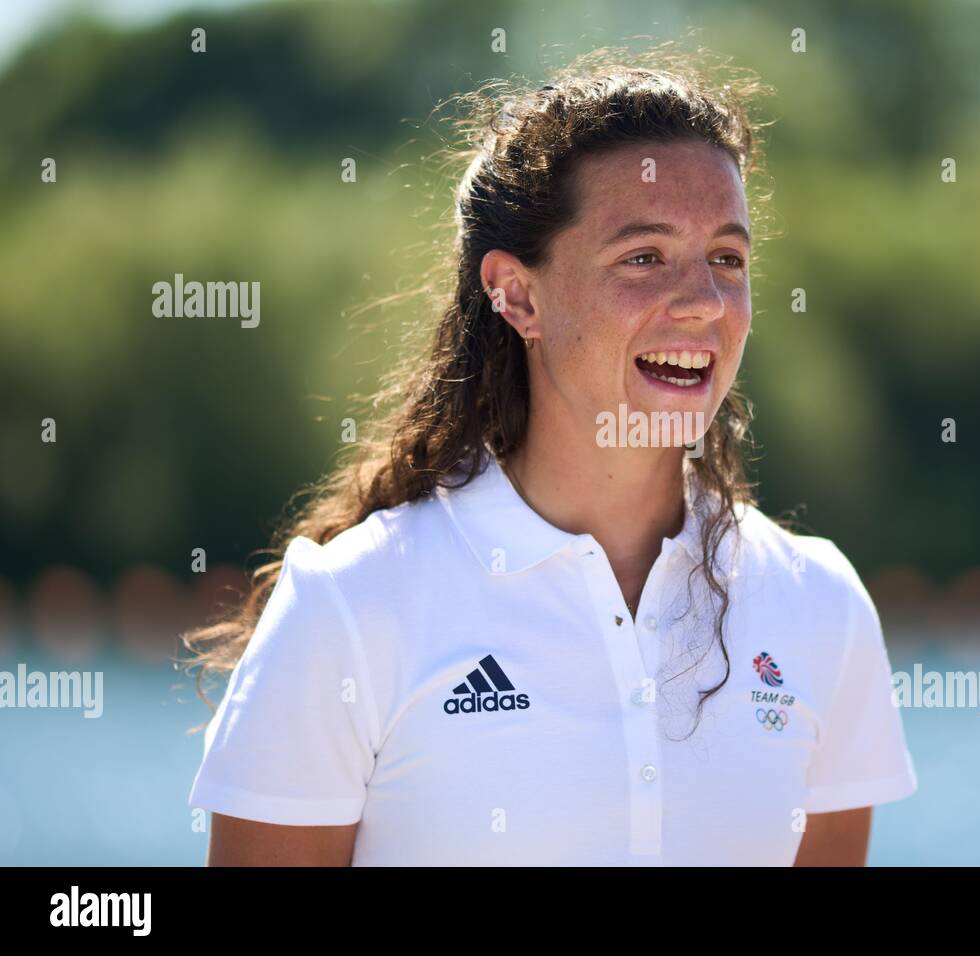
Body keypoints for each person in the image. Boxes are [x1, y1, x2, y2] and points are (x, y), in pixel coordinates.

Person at [183, 45, 917, 866]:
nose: (706, 303)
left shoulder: (820, 605)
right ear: (518, 295)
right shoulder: (350, 607)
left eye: (727, 259)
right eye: (644, 257)